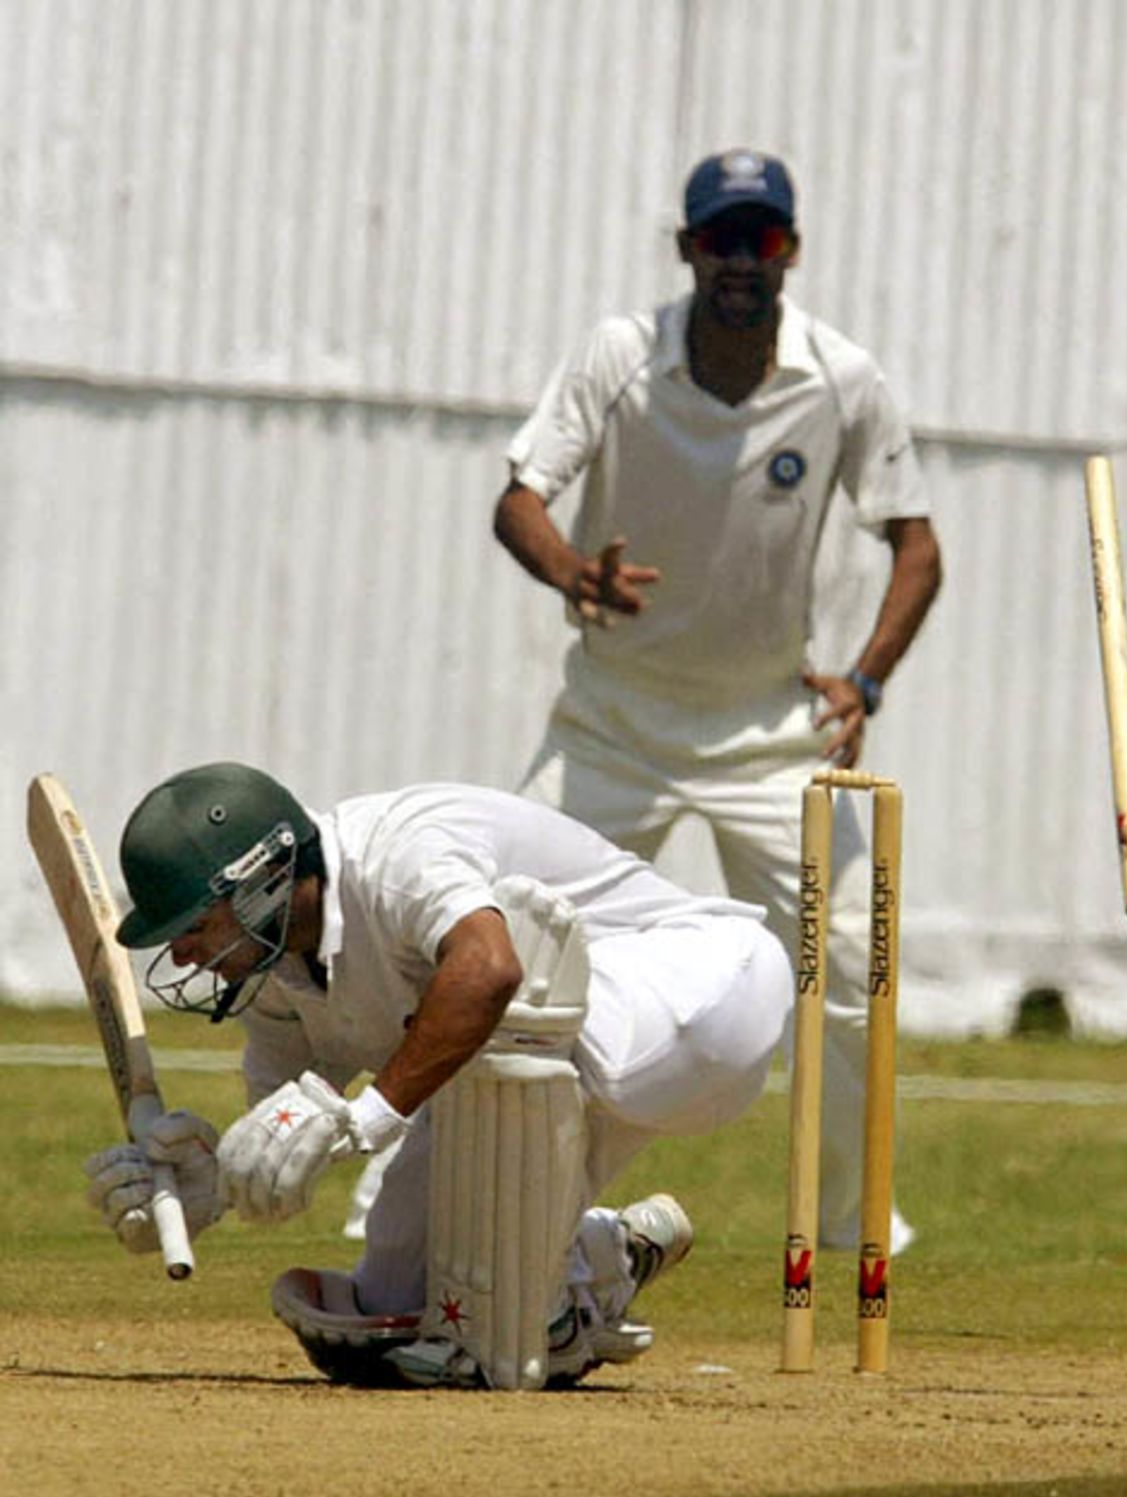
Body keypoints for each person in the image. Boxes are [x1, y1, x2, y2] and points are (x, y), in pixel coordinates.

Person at [492, 148, 942, 1250]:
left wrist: (867, 674)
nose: (743, 261)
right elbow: (519, 500)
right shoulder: (619, 356)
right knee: (501, 944)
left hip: (768, 734)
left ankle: (851, 1223)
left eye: (765, 240)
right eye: (722, 240)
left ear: (790, 251)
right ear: (687, 248)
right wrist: (571, 574)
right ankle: (418, 1200)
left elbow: (917, 546)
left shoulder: (839, 377)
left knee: (844, 967)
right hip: (613, 715)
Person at [83, 761, 790, 1388]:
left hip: (703, 993)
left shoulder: (397, 854)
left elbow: (490, 970)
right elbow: (289, 1130)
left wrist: (365, 1121)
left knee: (510, 1000)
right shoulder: (274, 979)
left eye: (193, 930)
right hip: (561, 1055)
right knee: (399, 1299)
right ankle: (596, 1269)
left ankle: (534, 1303)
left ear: (261, 880)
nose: (180, 960)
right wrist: (213, 1183)